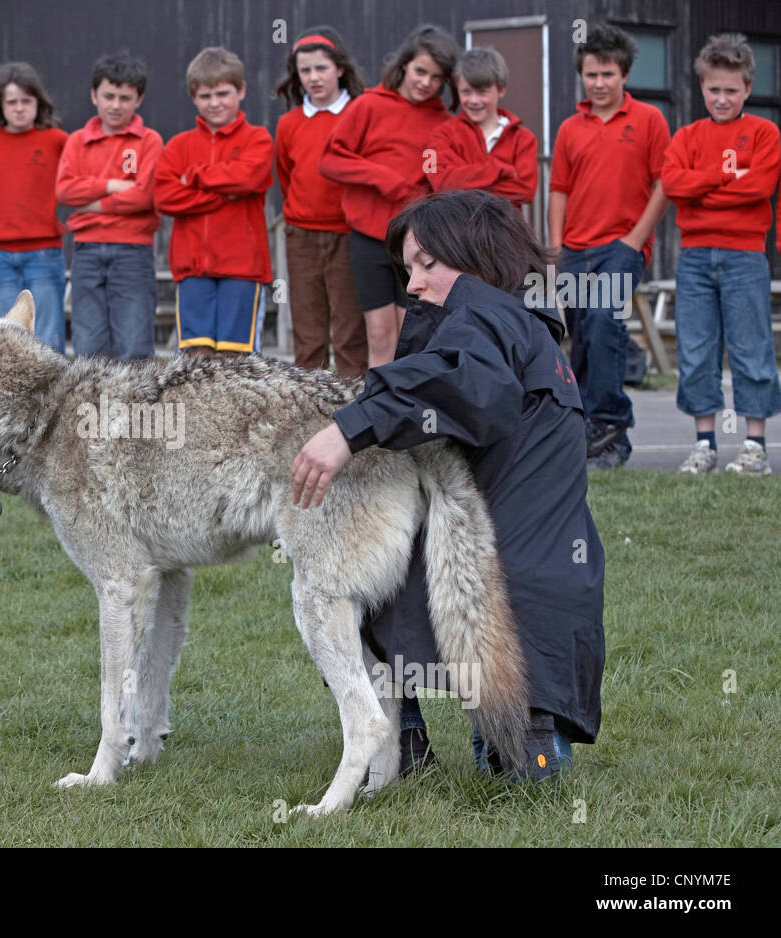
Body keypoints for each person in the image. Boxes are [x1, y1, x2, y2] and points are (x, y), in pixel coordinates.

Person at [290, 189, 605, 782]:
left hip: (504, 597)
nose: (412, 284)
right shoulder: (528, 329)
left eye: (427, 264)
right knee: (521, 772)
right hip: (551, 599)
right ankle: (480, 746)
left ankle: (405, 740)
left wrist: (347, 430)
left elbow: (464, 384)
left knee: (334, 581)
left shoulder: (486, 318)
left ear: (474, 254)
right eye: (408, 268)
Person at [549, 23, 670, 470]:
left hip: (622, 246)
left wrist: (635, 240)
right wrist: (556, 247)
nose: (599, 83)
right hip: (575, 250)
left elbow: (665, 183)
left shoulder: (649, 120)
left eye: (608, 75)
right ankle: (585, 432)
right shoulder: (569, 129)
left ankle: (613, 427)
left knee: (603, 318)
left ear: (624, 75)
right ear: (582, 75)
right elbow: (558, 190)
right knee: (580, 335)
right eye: (591, 75)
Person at [662, 34, 781, 476]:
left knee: (752, 350)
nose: (722, 98)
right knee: (695, 351)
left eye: (732, 90)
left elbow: (760, 187)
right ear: (702, 88)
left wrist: (702, 190)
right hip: (693, 257)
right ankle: (704, 444)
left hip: (744, 256)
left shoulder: (765, 133)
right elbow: (674, 186)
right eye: (714, 89)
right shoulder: (688, 135)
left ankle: (754, 446)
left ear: (748, 89)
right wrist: (724, 180)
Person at [319, 24, 458, 368]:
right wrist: (380, 177)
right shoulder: (369, 105)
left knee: (415, 333)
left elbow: (440, 177)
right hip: (369, 239)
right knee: (380, 334)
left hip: (418, 242)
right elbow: (330, 160)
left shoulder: (443, 122)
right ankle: (378, 413)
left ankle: (411, 412)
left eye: (437, 77)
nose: (426, 82)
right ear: (404, 66)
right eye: (420, 71)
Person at [153, 46, 273, 358]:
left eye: (223, 93)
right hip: (192, 269)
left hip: (243, 269)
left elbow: (249, 178)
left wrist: (192, 177)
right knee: (196, 358)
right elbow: (165, 196)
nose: (215, 103)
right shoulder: (178, 145)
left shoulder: (257, 139)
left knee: (237, 360)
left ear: (241, 90)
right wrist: (225, 195)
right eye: (206, 96)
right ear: (194, 97)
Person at [56, 51, 163, 361]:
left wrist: (90, 205)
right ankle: (97, 411)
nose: (116, 105)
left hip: (133, 251)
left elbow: (144, 196)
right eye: (109, 96)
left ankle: (136, 411)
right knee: (88, 348)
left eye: (125, 98)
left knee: (134, 346)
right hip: (86, 251)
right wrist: (112, 185)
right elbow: (64, 190)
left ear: (138, 99)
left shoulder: (149, 141)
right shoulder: (77, 141)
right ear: (94, 95)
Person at [274, 26, 368, 378]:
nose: (313, 77)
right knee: (308, 329)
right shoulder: (289, 124)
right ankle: (309, 410)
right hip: (302, 236)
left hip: (349, 234)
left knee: (349, 329)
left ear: (339, 68)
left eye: (321, 68)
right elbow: (286, 175)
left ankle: (352, 406)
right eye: (305, 71)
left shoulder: (361, 112)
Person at [0, 63, 68, 354]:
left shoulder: (56, 140)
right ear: (0, 105)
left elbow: (79, 177)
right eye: (12, 102)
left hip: (44, 251)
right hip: (2, 253)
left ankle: (55, 400)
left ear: (38, 103)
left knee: (48, 334)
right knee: (9, 337)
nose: (19, 108)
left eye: (26, 101)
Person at [426, 47, 538, 208]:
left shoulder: (524, 139)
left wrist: (462, 181)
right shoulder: (440, 135)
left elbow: (526, 191)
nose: (474, 100)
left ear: (501, 90)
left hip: (505, 231)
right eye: (466, 92)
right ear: (457, 90)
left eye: (482, 92)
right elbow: (440, 183)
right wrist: (500, 170)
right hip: (458, 231)